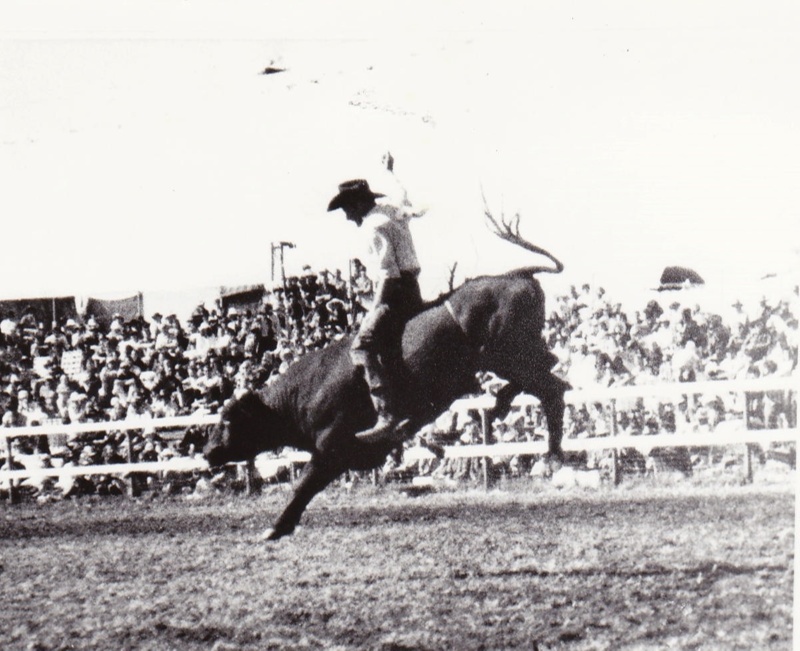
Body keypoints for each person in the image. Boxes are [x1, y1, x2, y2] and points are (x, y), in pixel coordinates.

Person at [326, 154, 426, 443]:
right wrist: (390, 171)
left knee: (362, 346)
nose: (348, 216)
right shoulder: (391, 210)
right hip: (412, 288)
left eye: (347, 209)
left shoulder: (372, 228)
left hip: (396, 294)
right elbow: (402, 195)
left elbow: (388, 276)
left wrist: (375, 308)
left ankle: (386, 414)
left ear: (358, 204)